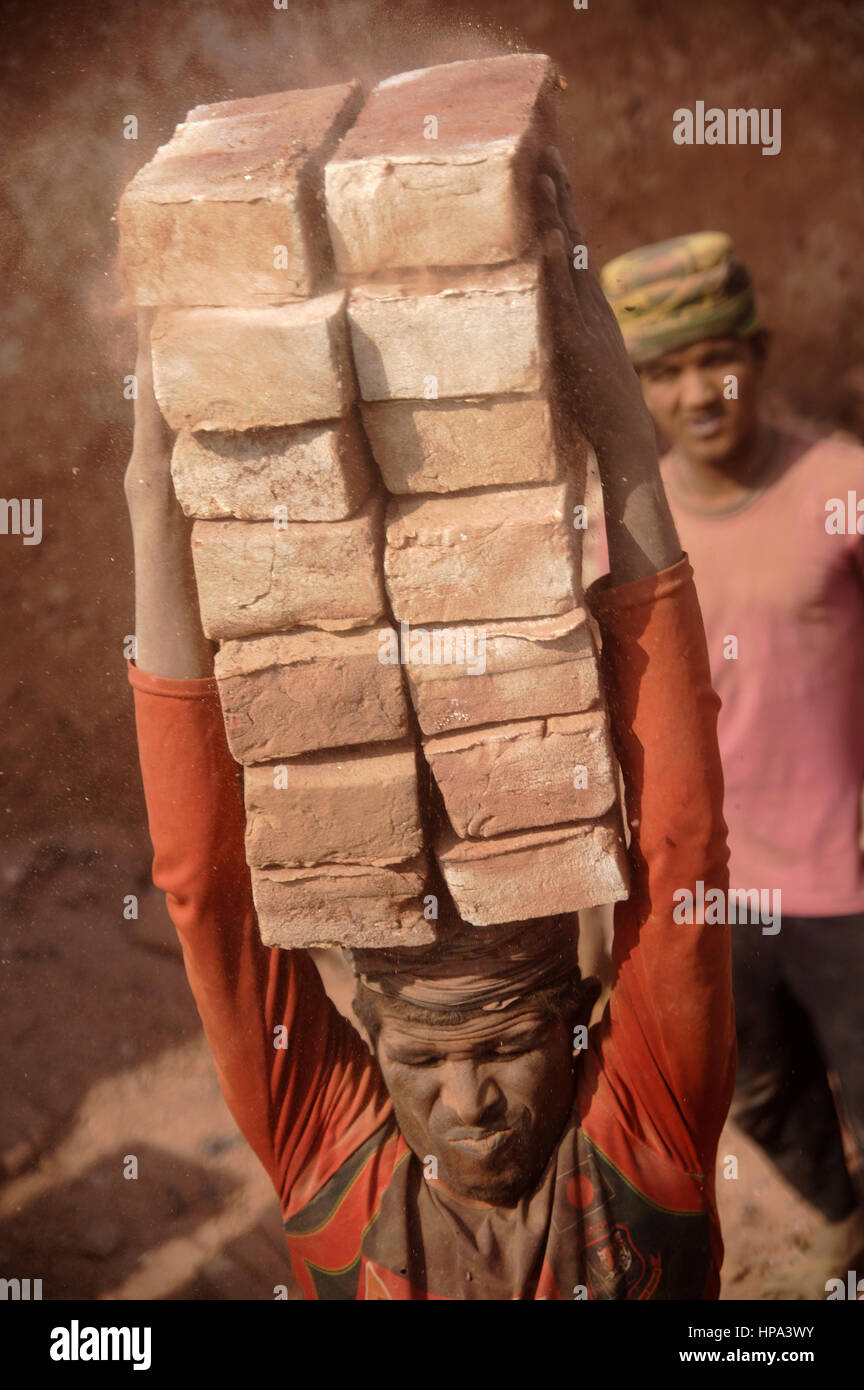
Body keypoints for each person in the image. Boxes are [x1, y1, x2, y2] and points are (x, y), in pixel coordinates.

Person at [124, 151, 734, 1300]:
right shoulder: (337, 1165)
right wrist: (156, 504)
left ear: (577, 1022)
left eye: (504, 1046)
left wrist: (624, 445)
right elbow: (208, 893)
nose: (470, 1105)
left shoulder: (638, 1148)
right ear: (368, 1044)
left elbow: (683, 849)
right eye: (424, 1057)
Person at [602, 232, 864, 1292]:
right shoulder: (636, 532)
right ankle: (844, 1224)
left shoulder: (840, 485)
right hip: (721, 891)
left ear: (754, 355)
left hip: (849, 880)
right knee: (760, 1095)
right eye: (663, 370)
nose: (696, 389)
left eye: (714, 357)